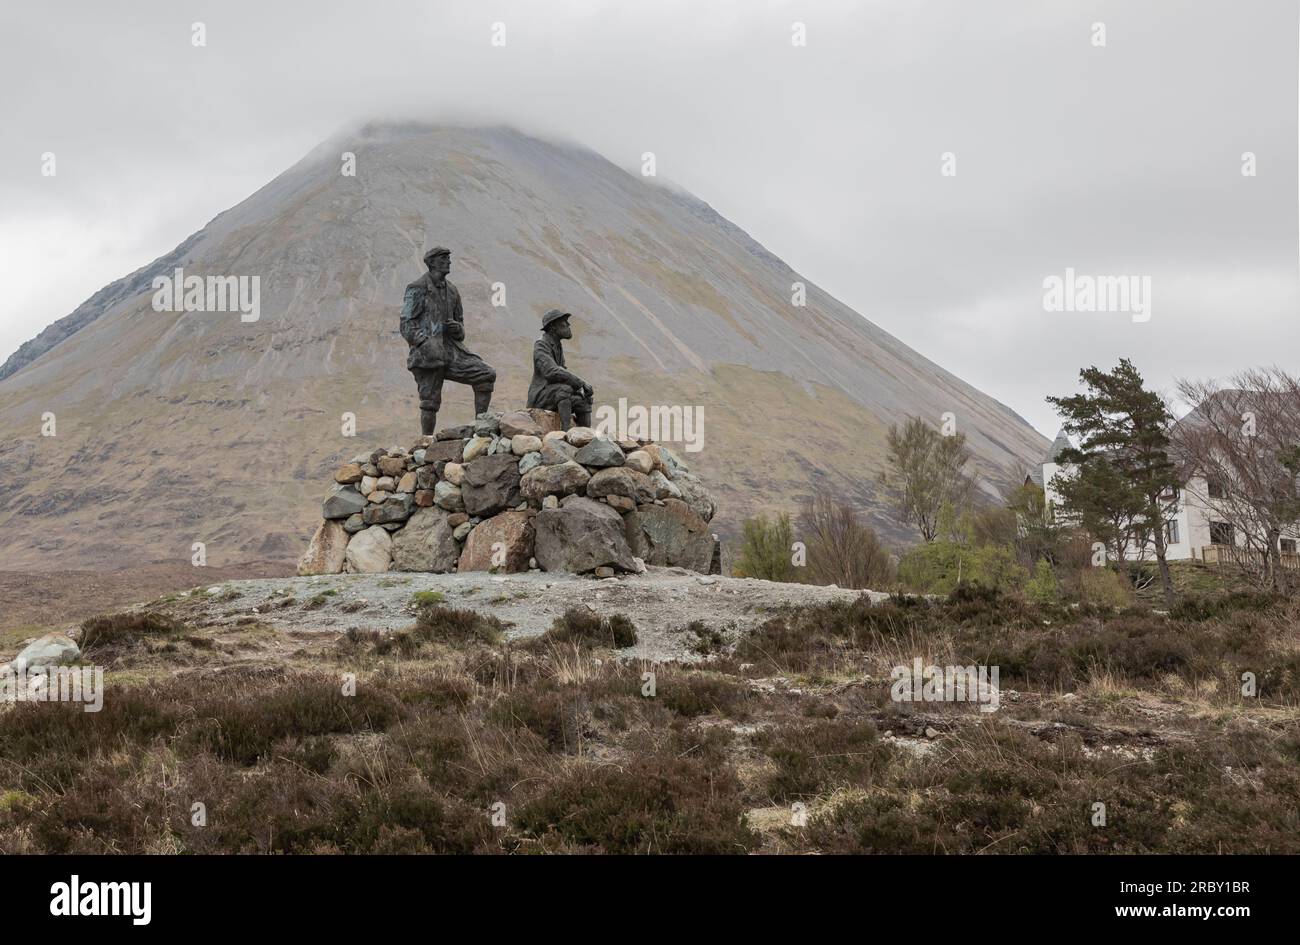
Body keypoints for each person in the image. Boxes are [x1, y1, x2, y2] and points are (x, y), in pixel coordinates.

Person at [399, 247, 496, 435]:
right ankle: (425, 442)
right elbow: (406, 323)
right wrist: (423, 343)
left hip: (452, 351)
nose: (449, 262)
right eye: (444, 258)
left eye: (449, 258)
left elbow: (460, 326)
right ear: (432, 262)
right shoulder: (417, 288)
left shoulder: (452, 290)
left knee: (486, 374)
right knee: (429, 402)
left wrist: (458, 329)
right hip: (427, 354)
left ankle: (481, 430)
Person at [526, 308, 593, 430]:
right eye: (564, 322)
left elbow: (562, 372)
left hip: (554, 394)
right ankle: (566, 433)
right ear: (553, 327)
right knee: (565, 389)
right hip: (541, 397)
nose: (568, 324)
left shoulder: (557, 344)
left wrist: (580, 389)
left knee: (584, 398)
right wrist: (580, 383)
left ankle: (586, 436)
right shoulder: (541, 344)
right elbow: (551, 372)